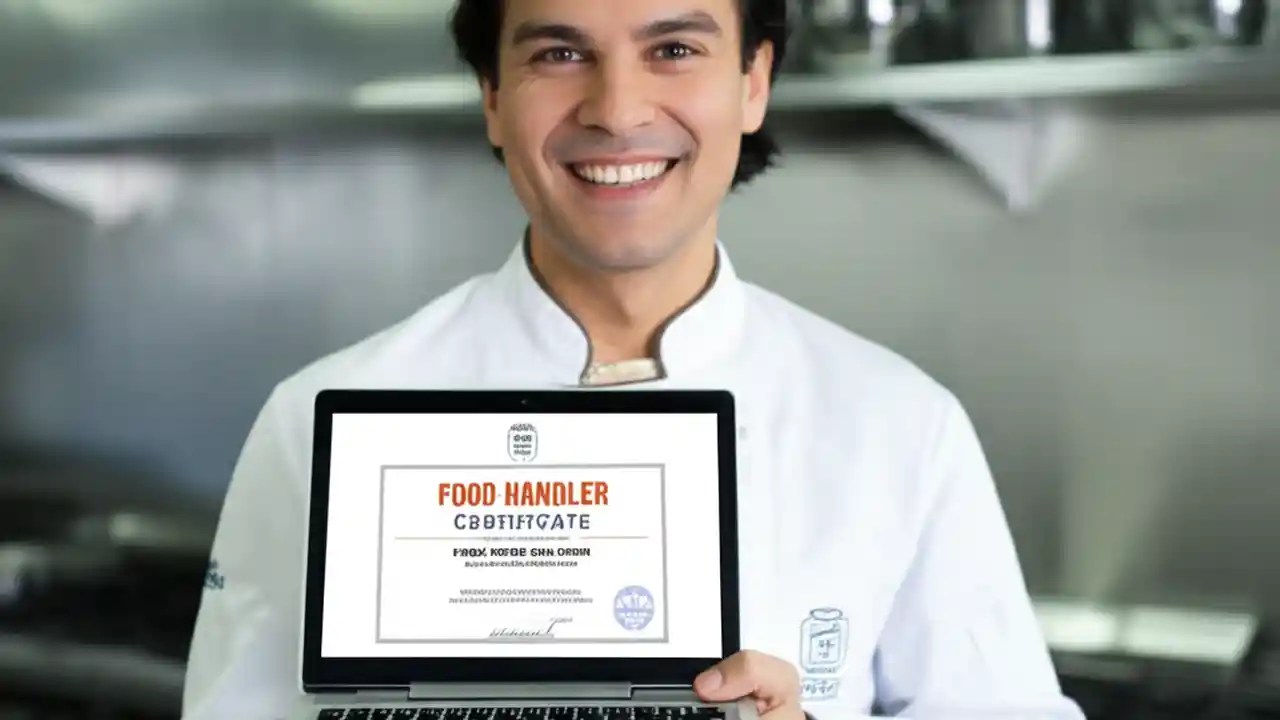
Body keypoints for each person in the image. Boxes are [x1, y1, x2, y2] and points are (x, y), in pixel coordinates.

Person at [181, 0, 1085, 718]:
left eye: (675, 49)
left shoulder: (898, 425)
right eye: (559, 53)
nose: (616, 111)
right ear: (493, 95)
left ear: (753, 82)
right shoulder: (318, 418)